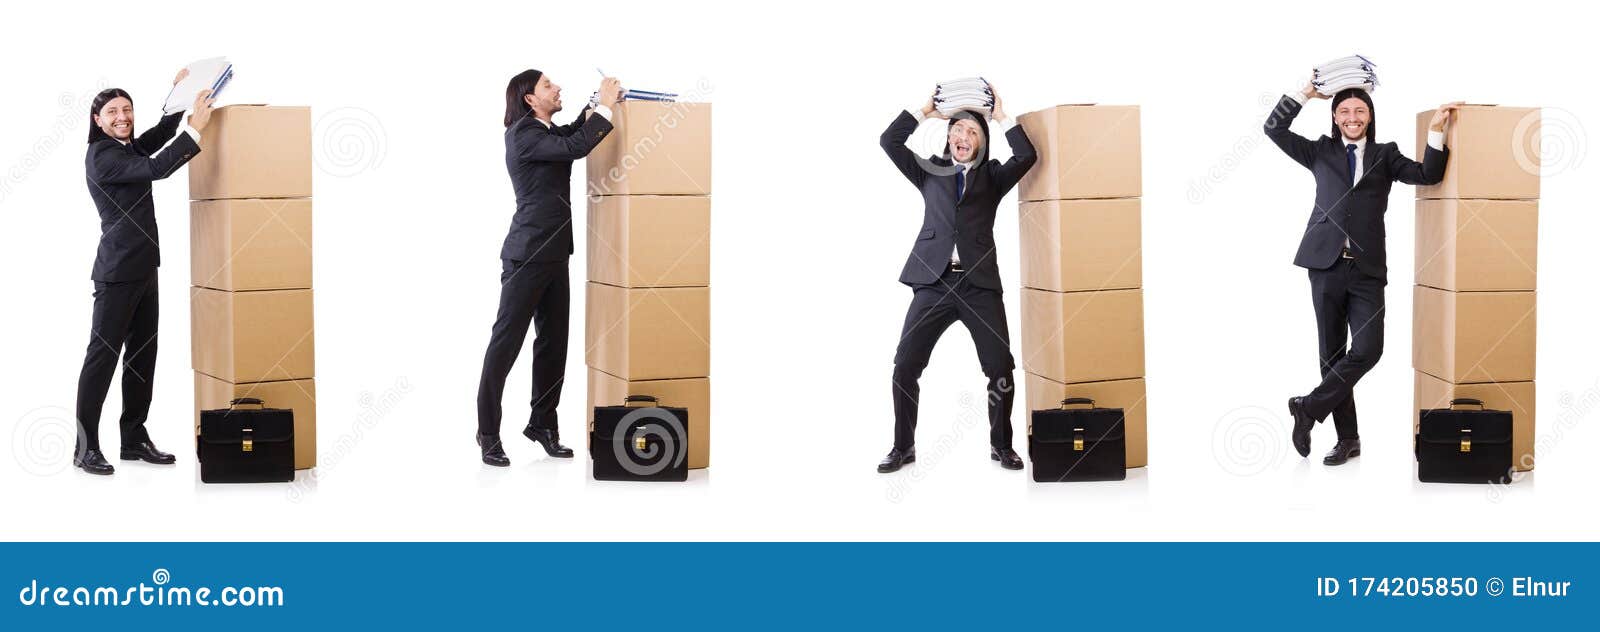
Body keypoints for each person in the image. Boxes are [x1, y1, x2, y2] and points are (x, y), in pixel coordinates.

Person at [1264, 80, 1460, 465]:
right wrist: (1305, 93)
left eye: (1360, 112)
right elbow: (1274, 129)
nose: (1352, 118)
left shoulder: (1386, 155)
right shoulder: (1319, 151)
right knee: (1332, 357)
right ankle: (1348, 439)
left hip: (1367, 270)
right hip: (1324, 265)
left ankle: (1307, 407)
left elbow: (1428, 175)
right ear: (1335, 118)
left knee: (1369, 350)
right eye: (1344, 112)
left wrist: (1437, 129)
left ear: (1370, 117)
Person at [876, 84, 1037, 473]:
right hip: (933, 281)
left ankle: (1002, 445)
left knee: (1000, 367)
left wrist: (1000, 117)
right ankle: (903, 447)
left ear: (982, 143)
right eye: (958, 130)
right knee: (905, 366)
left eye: (973, 133)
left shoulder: (994, 178)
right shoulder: (929, 170)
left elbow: (1027, 154)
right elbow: (889, 141)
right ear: (949, 135)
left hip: (978, 284)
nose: (963, 137)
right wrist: (925, 112)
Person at [476, 69, 623, 466]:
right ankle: (488, 433)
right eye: (548, 85)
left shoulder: (545, 130)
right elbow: (576, 147)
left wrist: (595, 104)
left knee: (554, 344)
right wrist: (606, 107)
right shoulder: (524, 134)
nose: (557, 87)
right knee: (505, 346)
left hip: (556, 253)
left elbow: (573, 132)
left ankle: (543, 423)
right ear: (529, 98)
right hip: (526, 257)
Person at [75, 70, 215, 475]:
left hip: (144, 268)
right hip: (117, 274)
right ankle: (84, 447)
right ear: (97, 119)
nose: (123, 116)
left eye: (127, 109)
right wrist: (194, 132)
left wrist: (178, 97)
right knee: (102, 359)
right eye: (113, 111)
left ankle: (134, 438)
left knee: (141, 356)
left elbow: (155, 139)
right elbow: (156, 168)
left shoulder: (125, 148)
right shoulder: (103, 156)